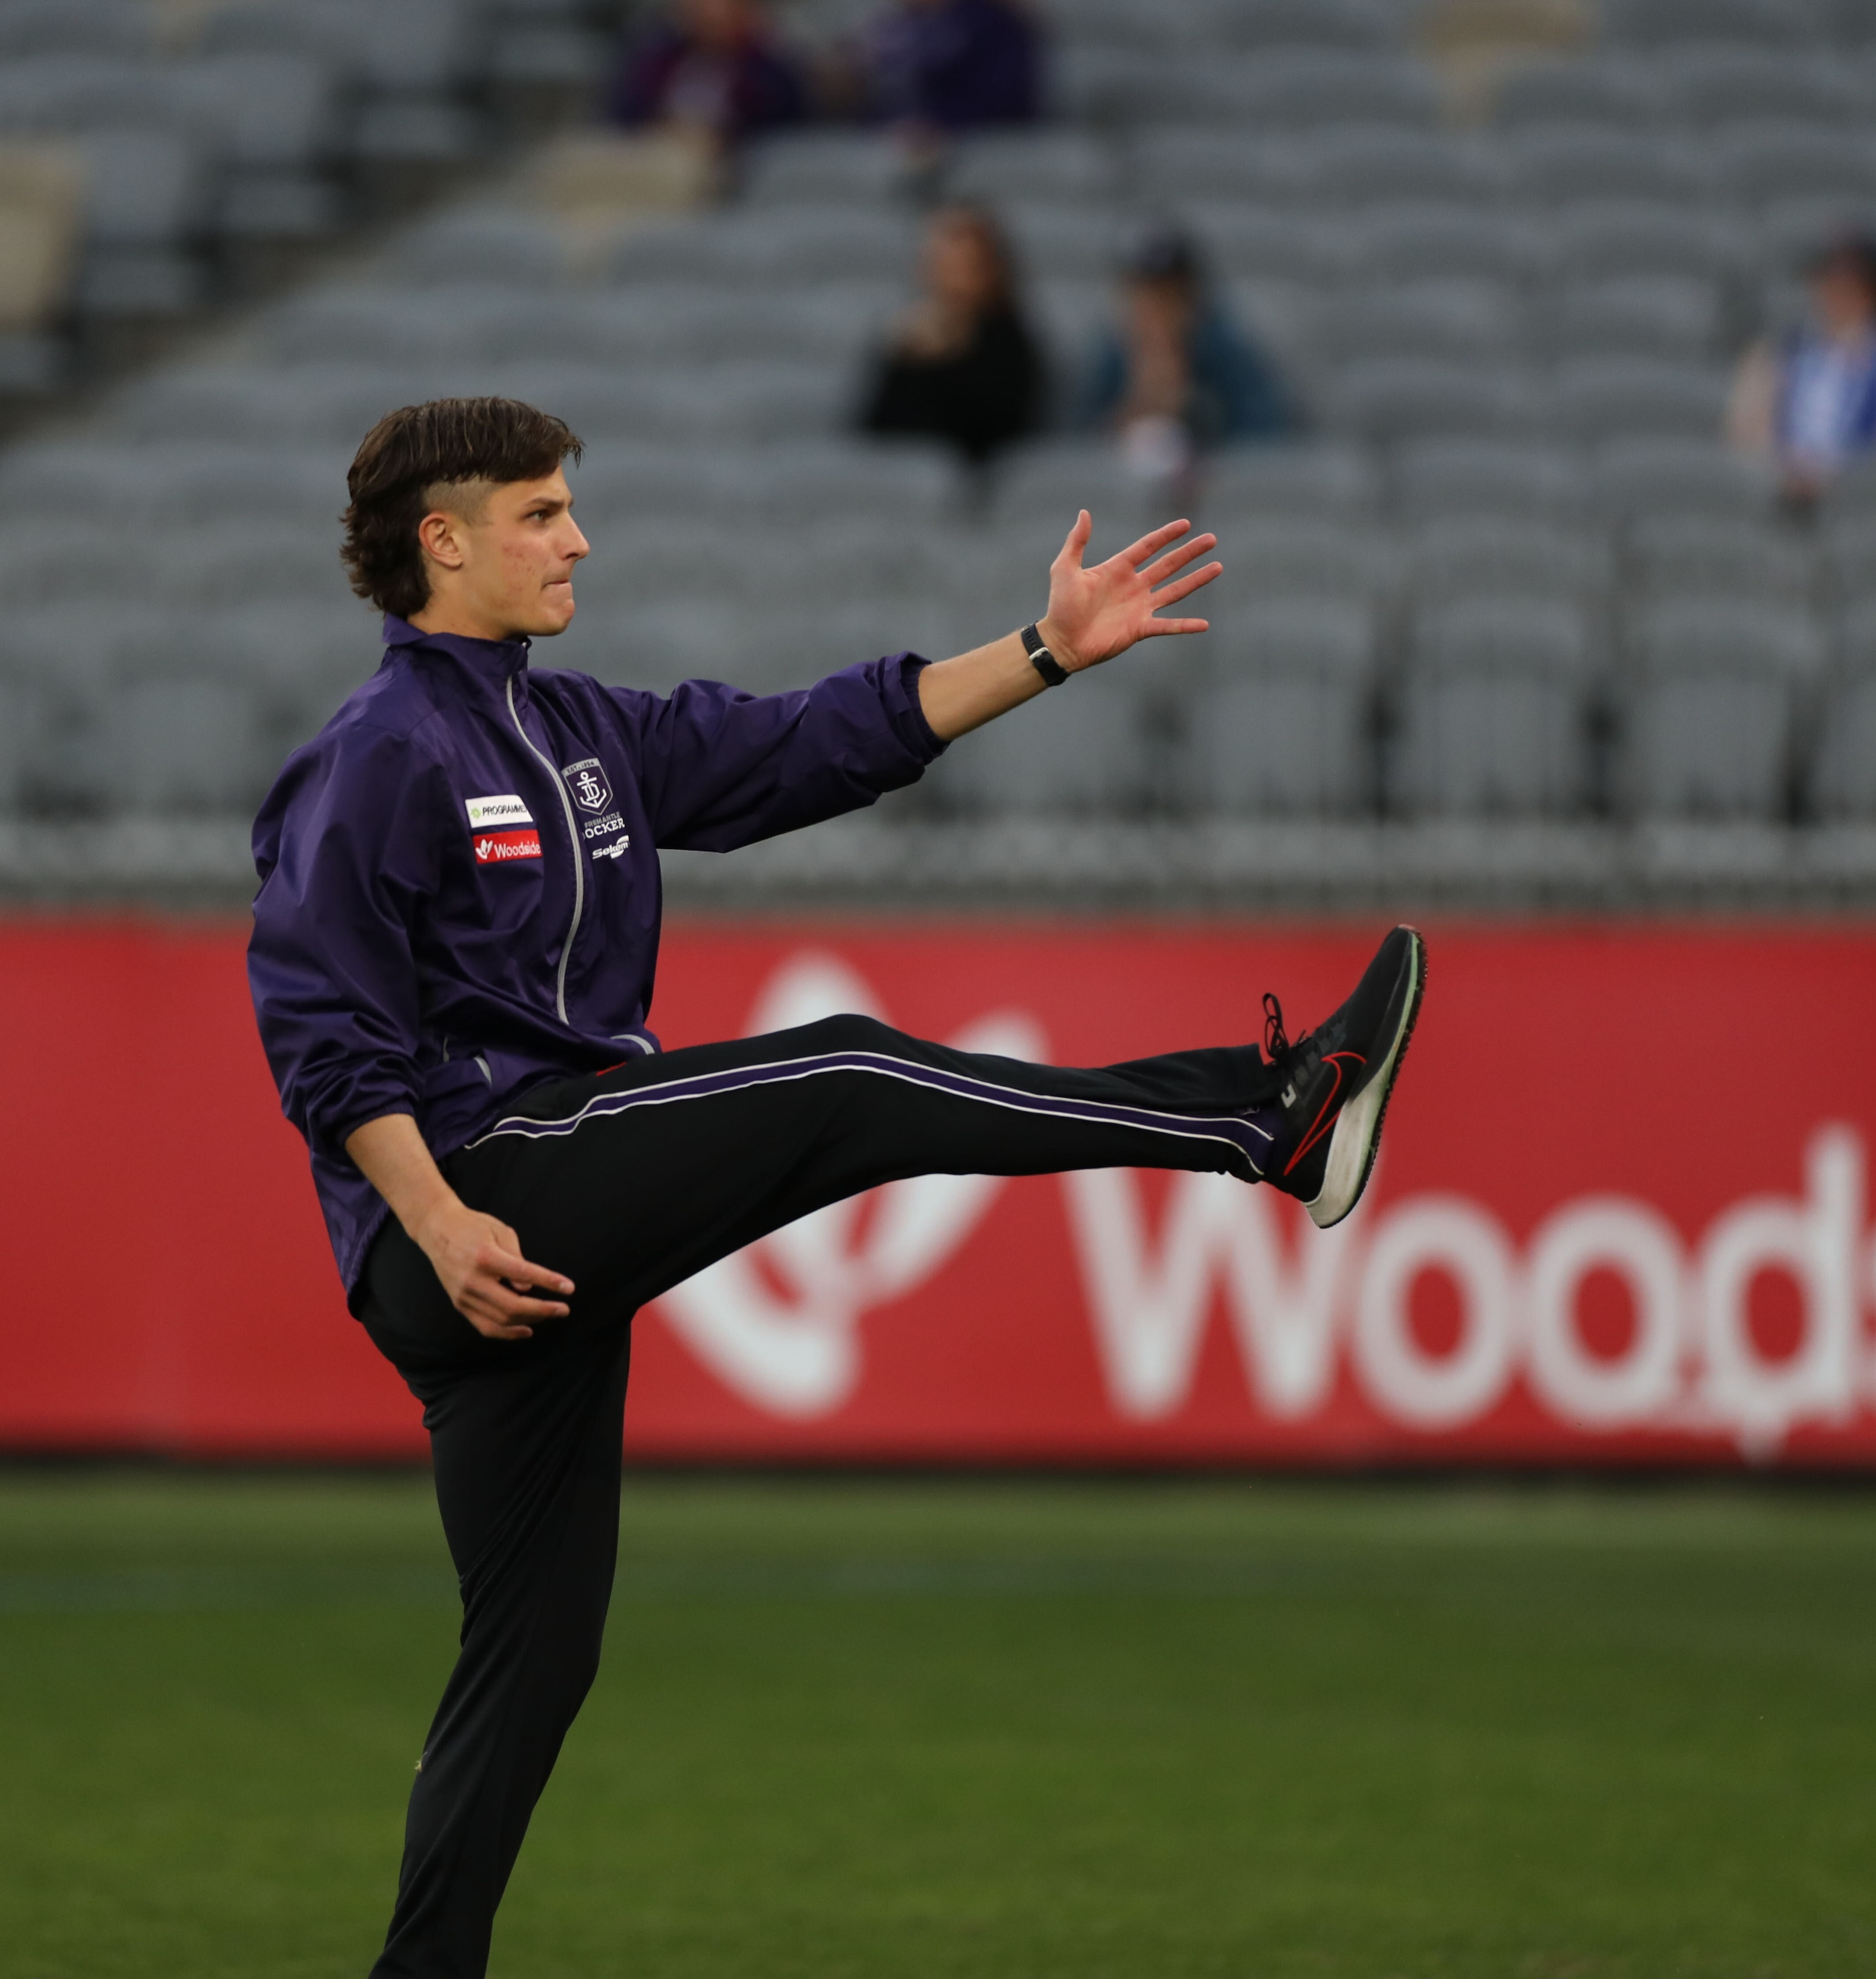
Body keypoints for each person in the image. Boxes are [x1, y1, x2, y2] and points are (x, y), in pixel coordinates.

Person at [245, 396, 1427, 1979]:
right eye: (538, 512)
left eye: (568, 506)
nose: (577, 536)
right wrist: (440, 1219)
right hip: (470, 1196)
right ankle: (1260, 1118)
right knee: (849, 1075)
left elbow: (810, 744)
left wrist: (1048, 648)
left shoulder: (577, 728)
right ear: (440, 542)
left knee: (534, 1659)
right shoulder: (377, 754)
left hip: (533, 1226)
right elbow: (322, 1035)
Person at [1074, 224, 1295, 486]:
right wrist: (1134, 408)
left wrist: (1194, 411)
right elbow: (1068, 446)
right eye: (1144, 296)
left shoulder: (1228, 352)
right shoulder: (1109, 354)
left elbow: (1265, 442)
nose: (1157, 310)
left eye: (1169, 296)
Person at [1727, 230, 1876, 500]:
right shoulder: (1778, 354)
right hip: (1784, 489)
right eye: (1828, 282)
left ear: (1875, 291)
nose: (1835, 294)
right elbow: (1747, 437)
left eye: (1850, 285)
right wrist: (1782, 473)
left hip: (1863, 496)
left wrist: (1841, 480)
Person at [859, 202, 1047, 467]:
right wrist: (910, 353)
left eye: (965, 266)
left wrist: (944, 355)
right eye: (942, 265)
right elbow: (872, 427)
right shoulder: (908, 337)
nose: (952, 280)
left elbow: (1000, 428)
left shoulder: (1011, 343)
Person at [606, 0, 808, 152]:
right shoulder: (656, 62)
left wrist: (724, 136)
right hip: (659, 156)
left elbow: (784, 130)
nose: (709, 15)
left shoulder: (770, 72)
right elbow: (625, 116)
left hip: (738, 166)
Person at [850, 0, 1043, 138]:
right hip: (901, 135)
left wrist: (937, 122)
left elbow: (1005, 97)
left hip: (985, 141)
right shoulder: (894, 26)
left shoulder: (994, 25)